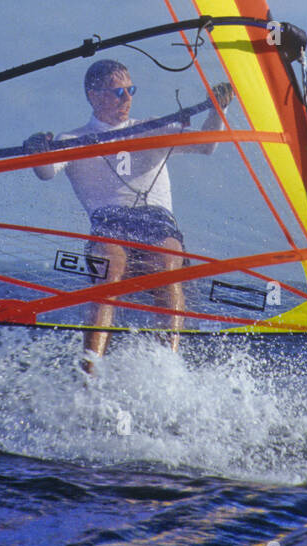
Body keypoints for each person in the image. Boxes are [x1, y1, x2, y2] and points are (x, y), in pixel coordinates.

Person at [23, 60, 234, 374]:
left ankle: (169, 370)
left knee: (166, 267)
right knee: (109, 270)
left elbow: (206, 147)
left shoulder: (152, 126)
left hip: (156, 222)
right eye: (117, 91)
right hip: (109, 224)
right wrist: (36, 150)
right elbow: (46, 173)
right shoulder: (72, 140)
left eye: (130, 90)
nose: (126, 98)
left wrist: (218, 110)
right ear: (93, 96)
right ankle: (89, 372)